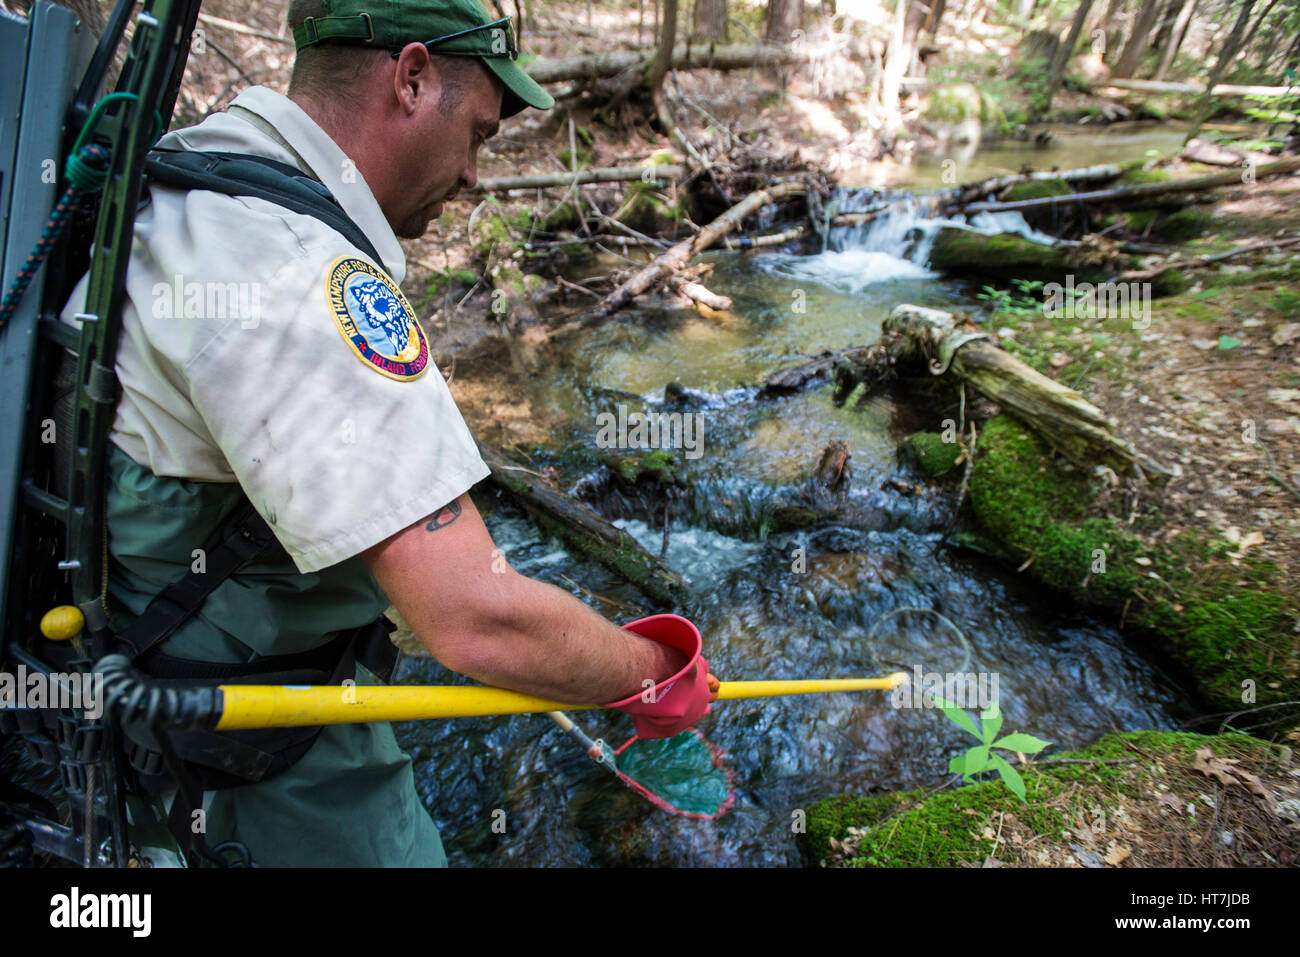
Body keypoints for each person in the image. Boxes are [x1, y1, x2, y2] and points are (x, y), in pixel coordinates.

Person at [57, 0, 714, 867]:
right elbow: (477, 619)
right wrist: (652, 677)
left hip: (141, 714)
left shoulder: (188, 181)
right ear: (411, 78)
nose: (477, 177)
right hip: (266, 760)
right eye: (477, 134)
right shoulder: (299, 278)